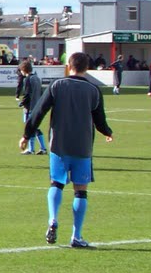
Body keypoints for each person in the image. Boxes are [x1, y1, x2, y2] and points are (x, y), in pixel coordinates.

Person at [22, 51, 114, 249]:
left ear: (69, 66)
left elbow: (38, 111)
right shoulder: (93, 90)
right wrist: (108, 132)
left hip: (59, 145)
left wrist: (26, 134)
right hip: (83, 146)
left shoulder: (57, 86)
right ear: (86, 68)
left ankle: (53, 219)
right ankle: (76, 236)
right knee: (80, 190)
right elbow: (100, 120)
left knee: (56, 183)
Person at [15, 60, 46, 155]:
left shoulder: (27, 79)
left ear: (24, 70)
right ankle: (43, 148)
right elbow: (40, 92)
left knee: (30, 127)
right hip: (37, 105)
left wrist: (22, 103)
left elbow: (27, 93)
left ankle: (31, 149)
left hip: (29, 107)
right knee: (35, 127)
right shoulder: (37, 78)